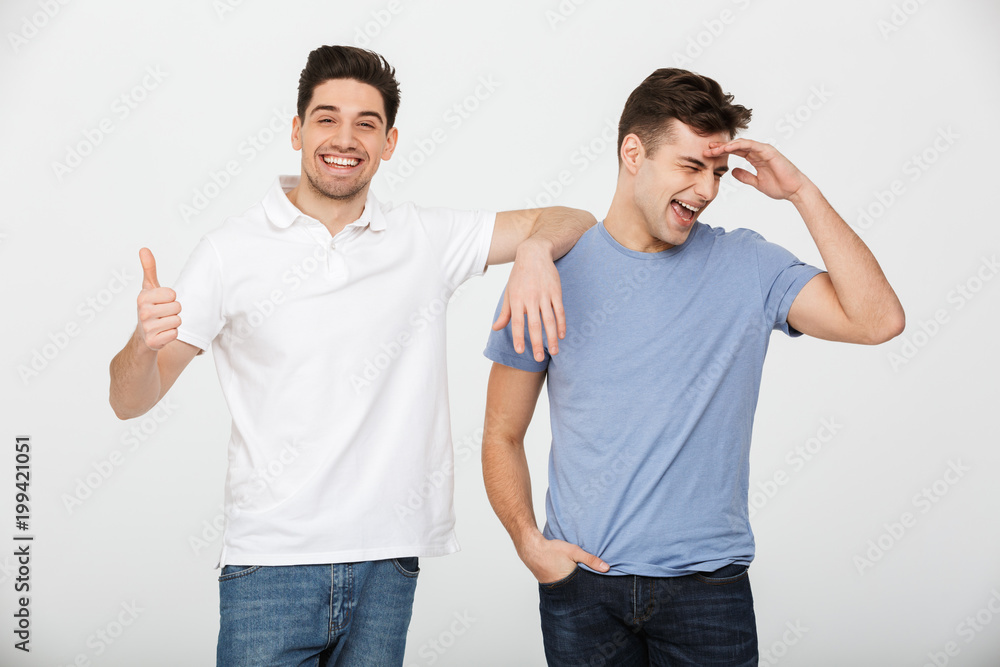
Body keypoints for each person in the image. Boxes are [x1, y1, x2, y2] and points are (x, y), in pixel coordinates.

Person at [108, 45, 594, 666]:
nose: (345, 138)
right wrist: (141, 343)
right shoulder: (230, 251)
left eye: (366, 123)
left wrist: (532, 252)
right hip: (270, 564)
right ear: (297, 131)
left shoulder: (425, 237)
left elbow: (572, 218)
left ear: (389, 142)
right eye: (327, 118)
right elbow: (129, 402)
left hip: (387, 563)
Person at [482, 68, 904, 666]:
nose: (707, 190)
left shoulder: (748, 264)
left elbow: (878, 321)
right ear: (633, 153)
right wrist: (530, 544)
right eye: (690, 166)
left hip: (708, 593)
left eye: (718, 173)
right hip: (582, 592)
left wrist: (802, 193)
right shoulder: (547, 276)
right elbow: (501, 432)